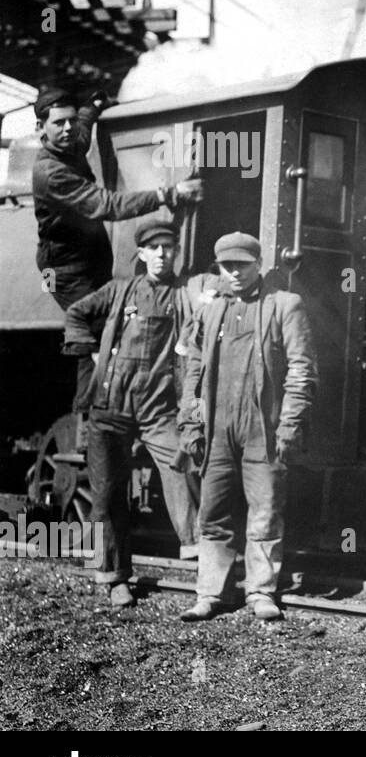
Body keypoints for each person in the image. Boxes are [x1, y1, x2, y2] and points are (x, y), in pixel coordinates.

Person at [32, 87, 202, 417]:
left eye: (69, 121)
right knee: (93, 335)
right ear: (41, 128)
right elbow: (105, 205)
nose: (68, 129)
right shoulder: (49, 172)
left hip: (91, 262)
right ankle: (88, 421)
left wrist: (94, 105)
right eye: (58, 124)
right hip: (62, 274)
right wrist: (167, 194)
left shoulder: (71, 139)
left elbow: (82, 124)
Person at [61, 219, 204, 607]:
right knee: (108, 494)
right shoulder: (121, 290)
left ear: (177, 253)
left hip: (158, 409)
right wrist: (91, 350)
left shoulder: (182, 295)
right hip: (110, 408)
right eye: (153, 249)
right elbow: (76, 313)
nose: (161, 255)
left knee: (183, 462)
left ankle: (197, 549)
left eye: (168, 248)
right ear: (141, 253)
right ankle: (115, 578)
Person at [178, 232, 318, 622]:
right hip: (218, 426)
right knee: (213, 512)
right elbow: (193, 369)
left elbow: (302, 369)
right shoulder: (210, 310)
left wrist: (290, 422)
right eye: (226, 266)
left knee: (266, 510)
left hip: (263, 427)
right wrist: (191, 419)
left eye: (241, 265)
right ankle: (210, 594)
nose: (234, 273)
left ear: (259, 264)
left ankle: (260, 592)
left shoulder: (284, 305)